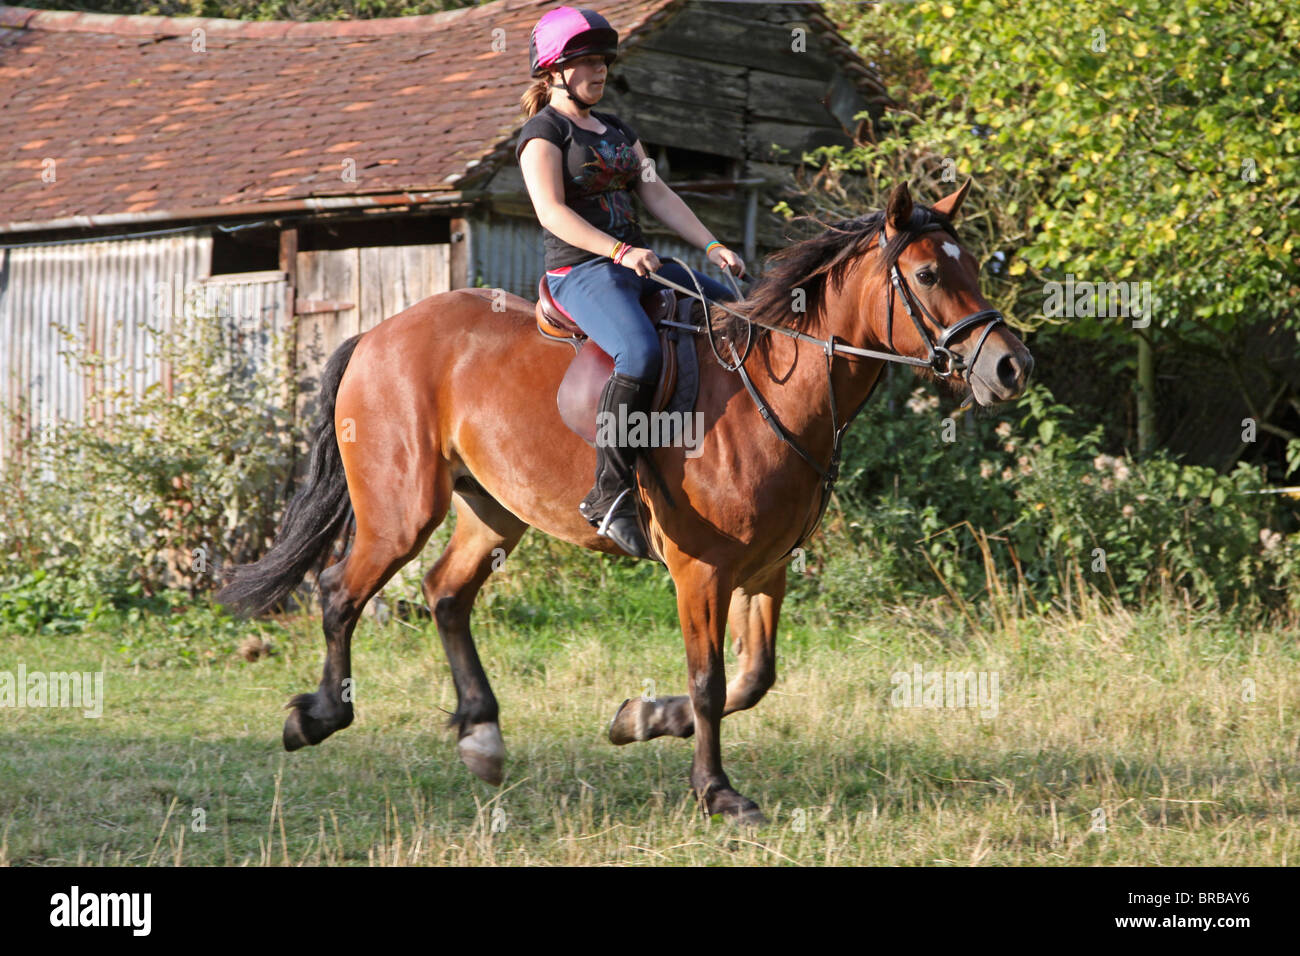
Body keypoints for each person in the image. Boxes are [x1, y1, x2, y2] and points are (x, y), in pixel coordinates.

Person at [516, 6, 746, 559]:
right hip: (582, 271)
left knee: (739, 317)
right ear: (554, 71)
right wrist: (617, 249)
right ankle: (609, 491)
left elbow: (657, 194)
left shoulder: (618, 130)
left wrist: (712, 246)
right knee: (639, 353)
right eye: (586, 62)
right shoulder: (543, 133)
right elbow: (550, 211)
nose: (599, 71)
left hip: (637, 262)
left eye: (602, 61)